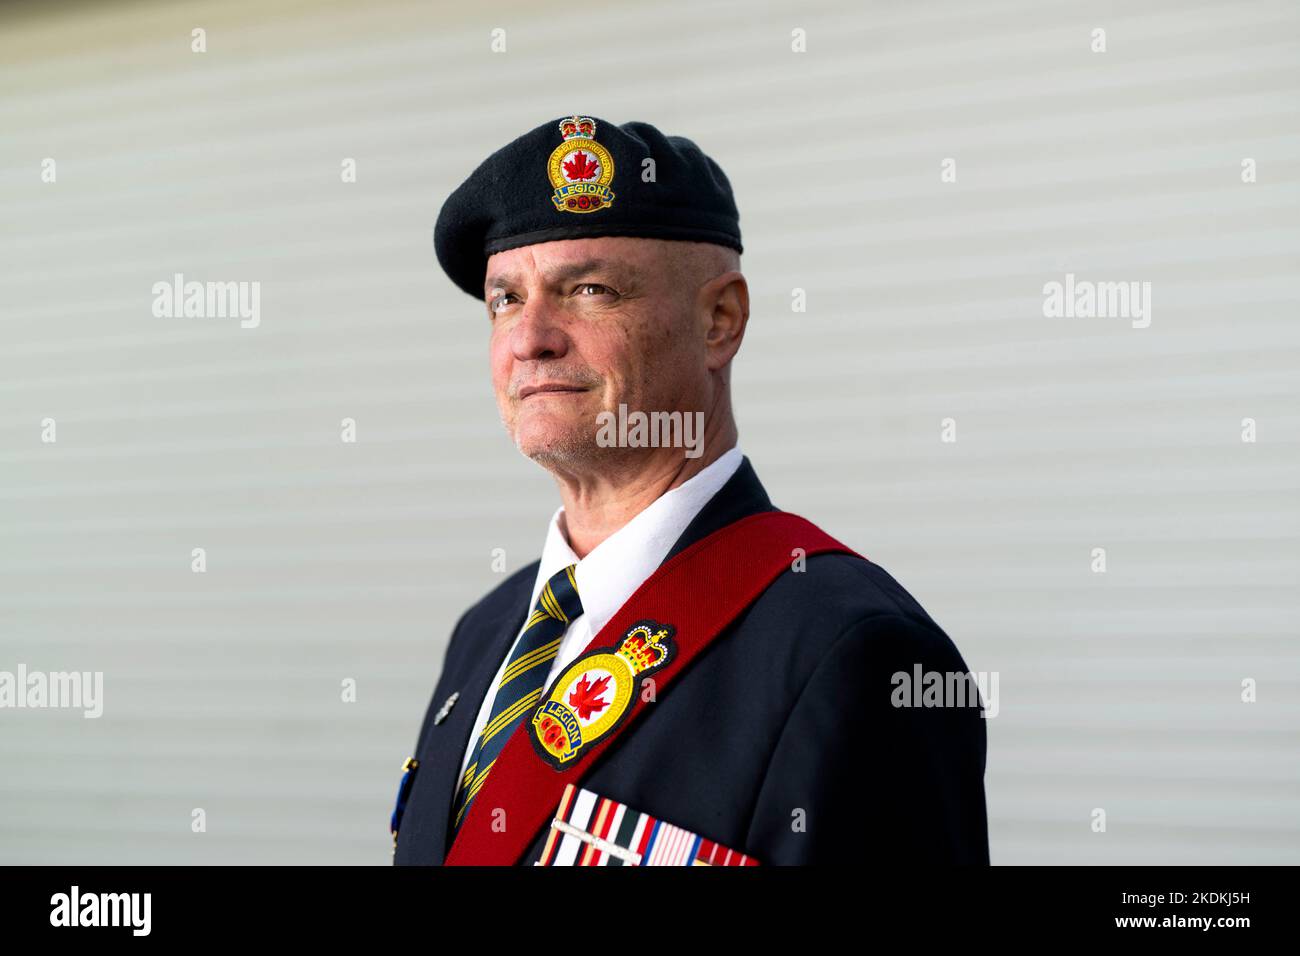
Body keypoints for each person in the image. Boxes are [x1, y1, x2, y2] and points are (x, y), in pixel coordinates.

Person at [391, 115, 989, 866]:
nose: (529, 337)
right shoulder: (485, 633)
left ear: (720, 321)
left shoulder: (854, 654)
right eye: (505, 299)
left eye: (589, 288)